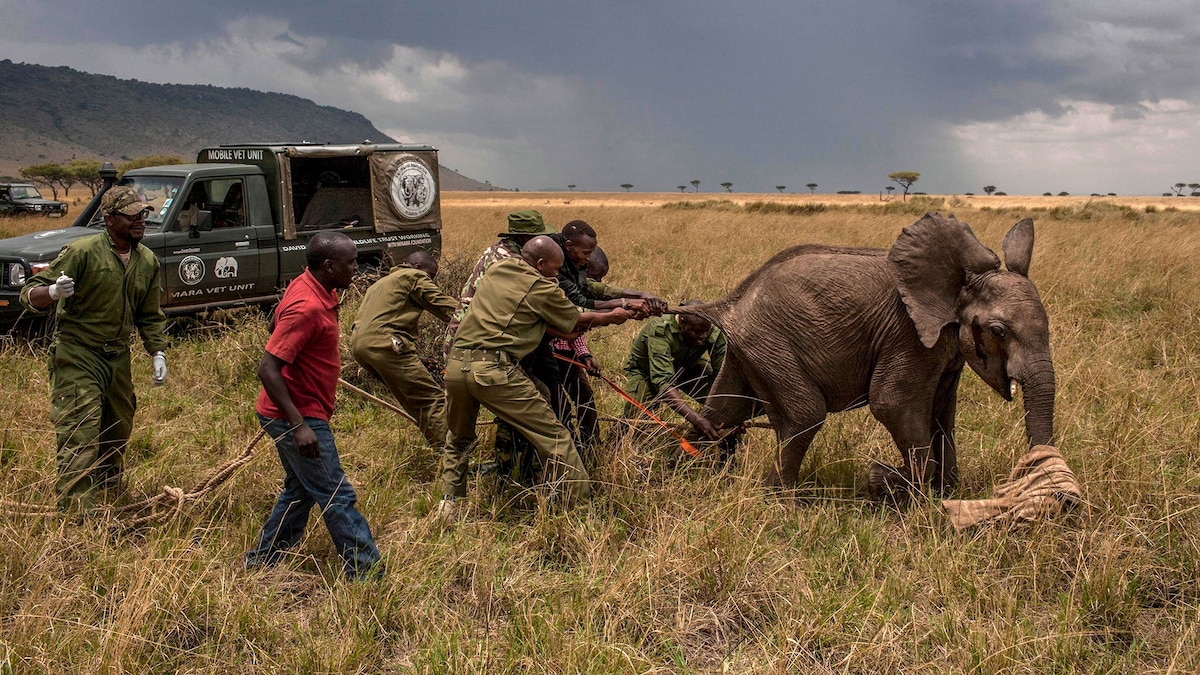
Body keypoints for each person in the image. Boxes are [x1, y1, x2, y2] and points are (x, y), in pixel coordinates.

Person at [439, 236, 639, 515]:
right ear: (541, 263)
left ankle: (450, 504)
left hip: (456, 366)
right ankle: (581, 509)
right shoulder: (540, 285)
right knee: (555, 437)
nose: (557, 275)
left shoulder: (497, 269)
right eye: (555, 270)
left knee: (458, 438)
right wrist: (614, 315)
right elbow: (573, 320)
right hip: (493, 370)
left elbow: (556, 326)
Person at [20, 185, 168, 512]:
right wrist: (54, 292)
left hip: (117, 358)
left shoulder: (146, 261)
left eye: (142, 215)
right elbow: (30, 293)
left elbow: (149, 314)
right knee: (79, 433)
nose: (140, 222)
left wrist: (157, 351)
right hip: (77, 355)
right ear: (110, 219)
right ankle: (76, 522)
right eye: (131, 217)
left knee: (117, 431)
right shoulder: (83, 252)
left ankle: (107, 497)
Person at [246, 231, 382, 580]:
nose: (357, 268)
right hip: (297, 414)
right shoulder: (307, 306)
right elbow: (268, 368)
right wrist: (298, 426)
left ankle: (263, 562)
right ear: (328, 265)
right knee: (336, 492)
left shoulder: (315, 288)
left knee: (301, 490)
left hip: (300, 408)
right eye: (351, 262)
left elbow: (274, 323)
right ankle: (367, 574)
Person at [349, 250, 457, 449]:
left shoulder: (381, 283)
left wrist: (416, 359)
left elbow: (381, 322)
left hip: (360, 347)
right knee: (431, 400)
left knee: (415, 400)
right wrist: (477, 315)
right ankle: (456, 457)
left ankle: (441, 447)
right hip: (384, 344)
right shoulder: (413, 276)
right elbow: (446, 308)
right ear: (417, 267)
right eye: (430, 275)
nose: (431, 280)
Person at [623, 302, 726, 440]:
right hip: (647, 372)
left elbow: (724, 374)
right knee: (638, 421)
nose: (703, 337)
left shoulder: (710, 326)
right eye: (697, 332)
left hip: (687, 367)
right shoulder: (660, 330)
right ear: (682, 323)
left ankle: (726, 451)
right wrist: (696, 419)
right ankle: (618, 440)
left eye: (705, 332)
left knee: (723, 403)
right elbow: (663, 382)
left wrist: (731, 412)